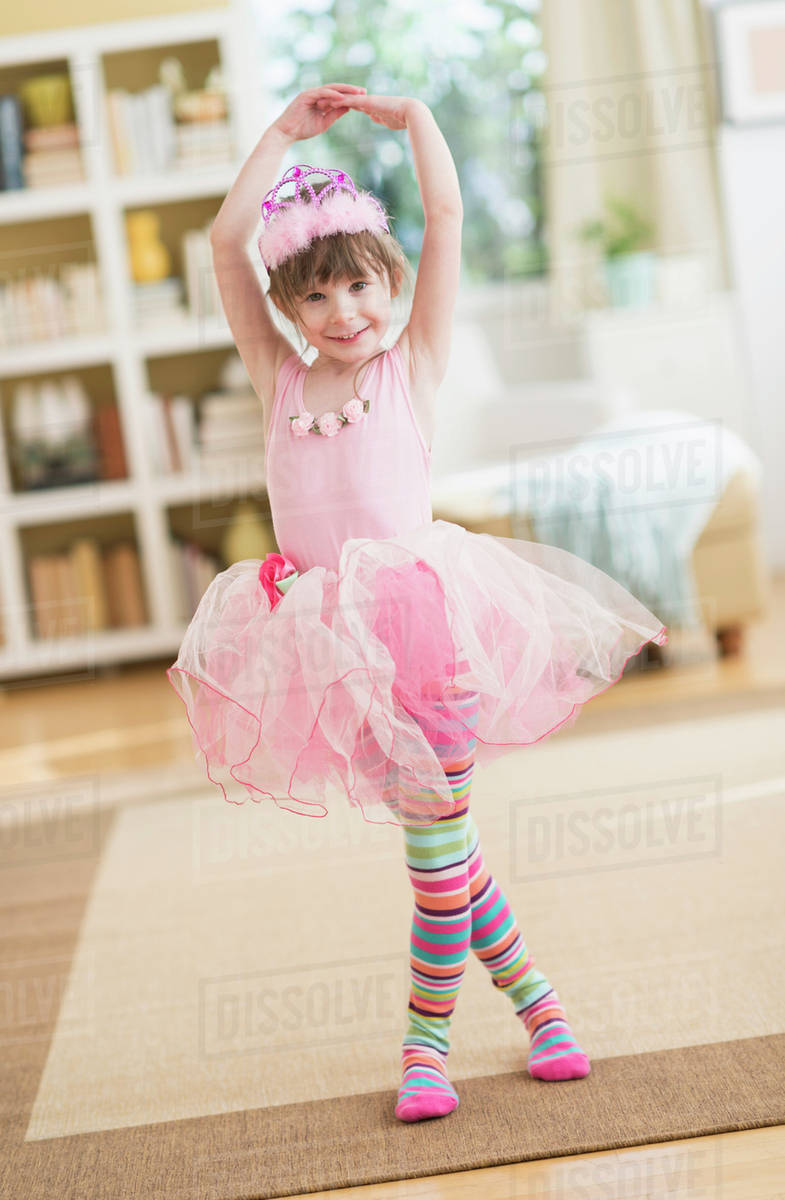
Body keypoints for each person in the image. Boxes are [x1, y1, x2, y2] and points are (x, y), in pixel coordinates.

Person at [167, 84, 668, 1123]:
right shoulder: (278, 382)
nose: (340, 313)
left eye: (357, 287)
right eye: (312, 297)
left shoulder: (411, 366)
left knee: (434, 859)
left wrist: (413, 122)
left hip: (428, 635)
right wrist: (281, 137)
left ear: (387, 285)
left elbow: (444, 219)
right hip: (329, 658)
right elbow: (225, 247)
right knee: (449, 850)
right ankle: (540, 1008)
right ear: (285, 309)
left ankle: (425, 1046)